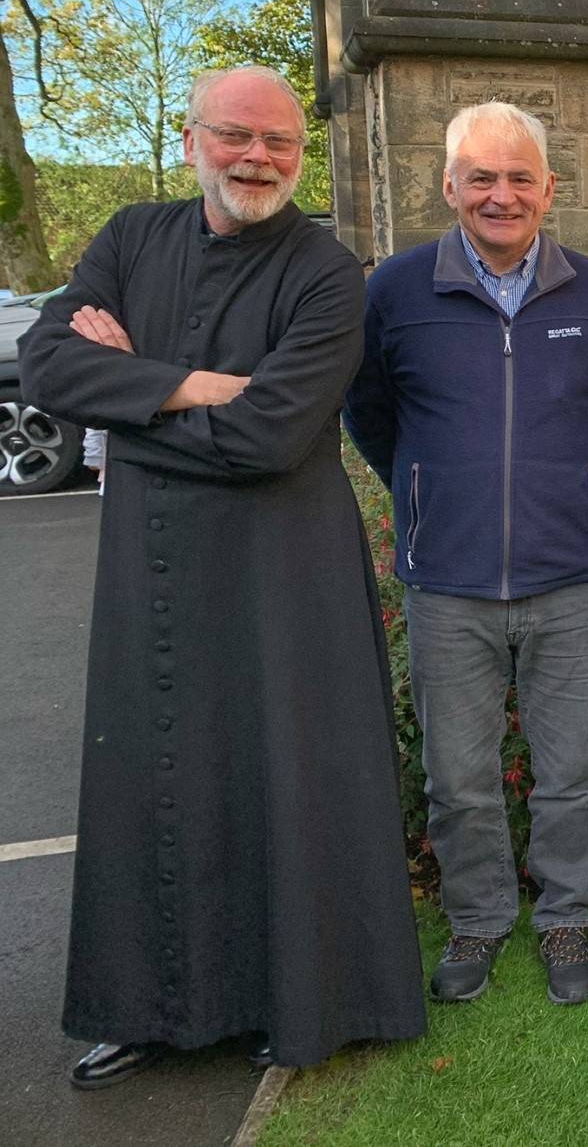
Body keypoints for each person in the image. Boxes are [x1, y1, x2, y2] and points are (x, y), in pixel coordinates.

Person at [20, 65, 426, 1087]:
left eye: (280, 142)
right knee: (151, 781)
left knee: (284, 777)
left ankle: (297, 1006)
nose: (258, 157)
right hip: (149, 573)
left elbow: (272, 433)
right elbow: (50, 367)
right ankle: (145, 1011)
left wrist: (130, 400)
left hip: (281, 571)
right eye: (236, 135)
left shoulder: (326, 271)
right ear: (192, 139)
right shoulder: (130, 237)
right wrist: (194, 385)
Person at [343, 101, 588, 1009]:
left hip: (569, 579)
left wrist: (571, 495)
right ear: (449, 185)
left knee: (572, 770)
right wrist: (432, 496)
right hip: (448, 583)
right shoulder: (395, 292)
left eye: (520, 178)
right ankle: (476, 920)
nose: (501, 195)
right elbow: (370, 414)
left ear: (549, 188)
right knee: (459, 776)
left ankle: (565, 917)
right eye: (481, 177)